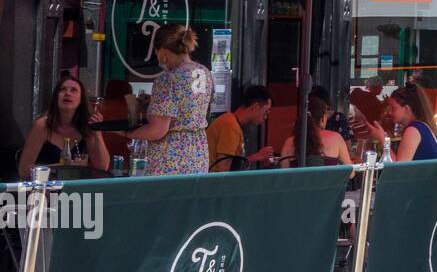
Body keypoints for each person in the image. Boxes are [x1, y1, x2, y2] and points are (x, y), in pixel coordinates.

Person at [124, 25, 214, 175]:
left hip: (171, 159)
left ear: (163, 52)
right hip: (198, 155)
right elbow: (188, 105)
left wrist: (127, 133)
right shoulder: (203, 72)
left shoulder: (167, 78)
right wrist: (153, 101)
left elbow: (157, 130)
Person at [18, 75, 110, 178]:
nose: (67, 93)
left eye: (73, 90)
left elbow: (102, 167)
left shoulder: (86, 126)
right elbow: (23, 170)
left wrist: (97, 135)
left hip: (76, 188)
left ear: (81, 100)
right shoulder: (42, 125)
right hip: (45, 188)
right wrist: (60, 167)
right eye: (63, 90)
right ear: (56, 97)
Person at [206, 84, 276, 170]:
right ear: (255, 107)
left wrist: (255, 157)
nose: (265, 117)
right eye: (266, 112)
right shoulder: (230, 126)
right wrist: (255, 157)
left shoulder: (232, 123)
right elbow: (223, 169)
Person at [364, 83, 437, 160]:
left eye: (393, 108)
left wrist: (381, 138)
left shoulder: (413, 130)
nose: (389, 112)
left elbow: (399, 168)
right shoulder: (422, 126)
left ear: (406, 109)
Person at [281, 97, 351, 164]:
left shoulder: (289, 143)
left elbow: (284, 173)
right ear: (322, 119)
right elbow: (350, 172)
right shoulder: (336, 139)